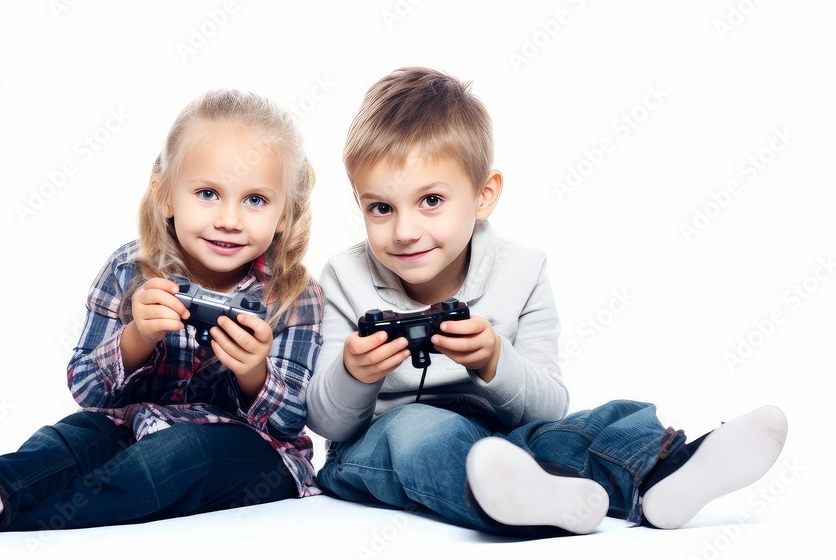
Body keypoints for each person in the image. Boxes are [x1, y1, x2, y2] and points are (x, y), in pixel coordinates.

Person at [305, 67, 788, 536]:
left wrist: (496, 361)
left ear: (484, 195)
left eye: (431, 200)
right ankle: (527, 500)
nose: (405, 231)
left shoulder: (523, 271)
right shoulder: (344, 278)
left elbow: (549, 408)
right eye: (381, 208)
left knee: (593, 426)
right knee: (419, 428)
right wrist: (354, 374)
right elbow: (326, 423)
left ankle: (664, 473)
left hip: (507, 443)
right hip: (376, 448)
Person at [0, 89, 324, 540]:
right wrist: (137, 338)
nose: (229, 219)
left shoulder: (294, 295)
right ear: (166, 197)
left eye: (255, 200)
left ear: (284, 215)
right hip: (136, 427)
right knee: (74, 436)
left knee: (179, 453)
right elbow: (86, 391)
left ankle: (8, 521)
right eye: (207, 193)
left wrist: (253, 372)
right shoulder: (129, 270)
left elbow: (290, 422)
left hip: (254, 453)